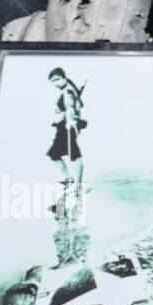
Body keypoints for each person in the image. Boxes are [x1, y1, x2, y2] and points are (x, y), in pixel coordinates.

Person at [46, 68, 87, 209]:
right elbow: (75, 105)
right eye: (52, 81)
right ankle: (71, 182)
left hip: (67, 126)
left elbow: (70, 107)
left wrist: (70, 120)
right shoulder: (70, 87)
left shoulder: (67, 90)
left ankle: (74, 185)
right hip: (65, 126)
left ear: (63, 77)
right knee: (59, 154)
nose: (55, 83)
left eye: (57, 79)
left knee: (70, 154)